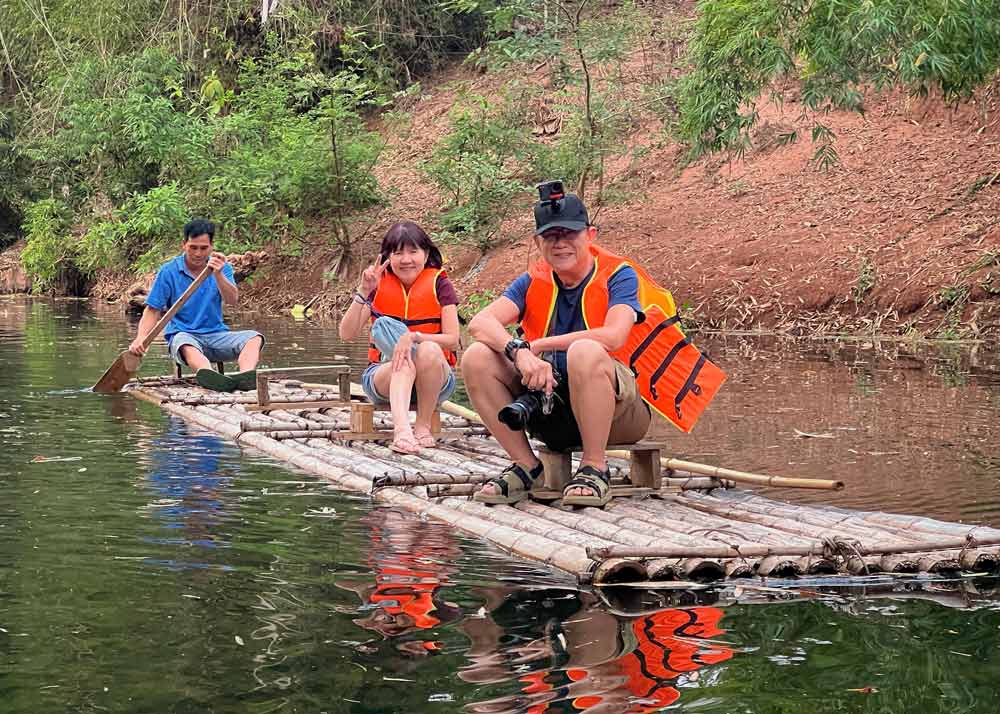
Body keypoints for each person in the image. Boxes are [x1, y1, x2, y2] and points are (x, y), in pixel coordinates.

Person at [466, 181, 724, 507]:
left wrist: (539, 345)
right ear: (537, 242)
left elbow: (614, 335)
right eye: (551, 236)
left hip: (620, 413)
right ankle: (526, 466)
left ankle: (594, 466)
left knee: (585, 351)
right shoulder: (533, 280)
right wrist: (519, 353)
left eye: (569, 234)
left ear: (590, 235)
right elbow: (480, 322)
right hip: (550, 406)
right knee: (477, 357)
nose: (560, 243)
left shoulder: (620, 275)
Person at [339, 221, 460, 454]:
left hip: (435, 379)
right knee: (402, 360)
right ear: (388, 257)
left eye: (413, 251)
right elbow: (346, 334)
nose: (406, 260)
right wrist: (364, 291)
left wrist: (414, 337)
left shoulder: (440, 283)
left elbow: (453, 340)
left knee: (429, 349)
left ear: (426, 254)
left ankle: (422, 426)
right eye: (398, 253)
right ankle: (403, 433)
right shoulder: (378, 284)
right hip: (384, 378)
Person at [128, 218, 264, 391]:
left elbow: (232, 300)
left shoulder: (223, 268)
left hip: (216, 335)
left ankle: (246, 377)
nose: (198, 254)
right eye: (193, 247)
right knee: (185, 343)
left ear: (211, 246)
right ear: (184, 245)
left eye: (203, 248)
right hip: (183, 336)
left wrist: (218, 274)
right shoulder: (168, 271)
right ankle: (209, 376)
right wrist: (141, 338)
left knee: (254, 338)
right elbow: (152, 310)